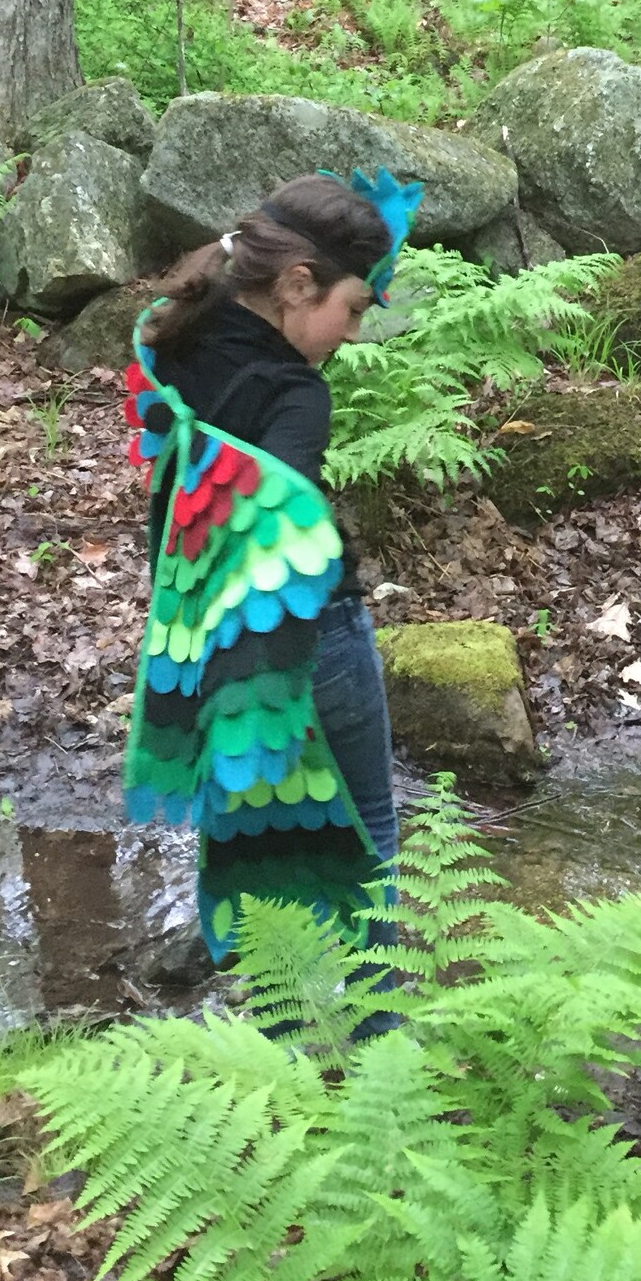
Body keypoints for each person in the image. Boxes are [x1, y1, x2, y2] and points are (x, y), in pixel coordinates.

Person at [120, 170, 420, 967]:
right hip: (308, 635)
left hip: (205, 630)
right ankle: (375, 1033)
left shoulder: (179, 329)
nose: (352, 332)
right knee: (368, 830)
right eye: (353, 307)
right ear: (295, 282)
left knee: (251, 814)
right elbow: (281, 525)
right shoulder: (295, 394)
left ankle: (253, 993)